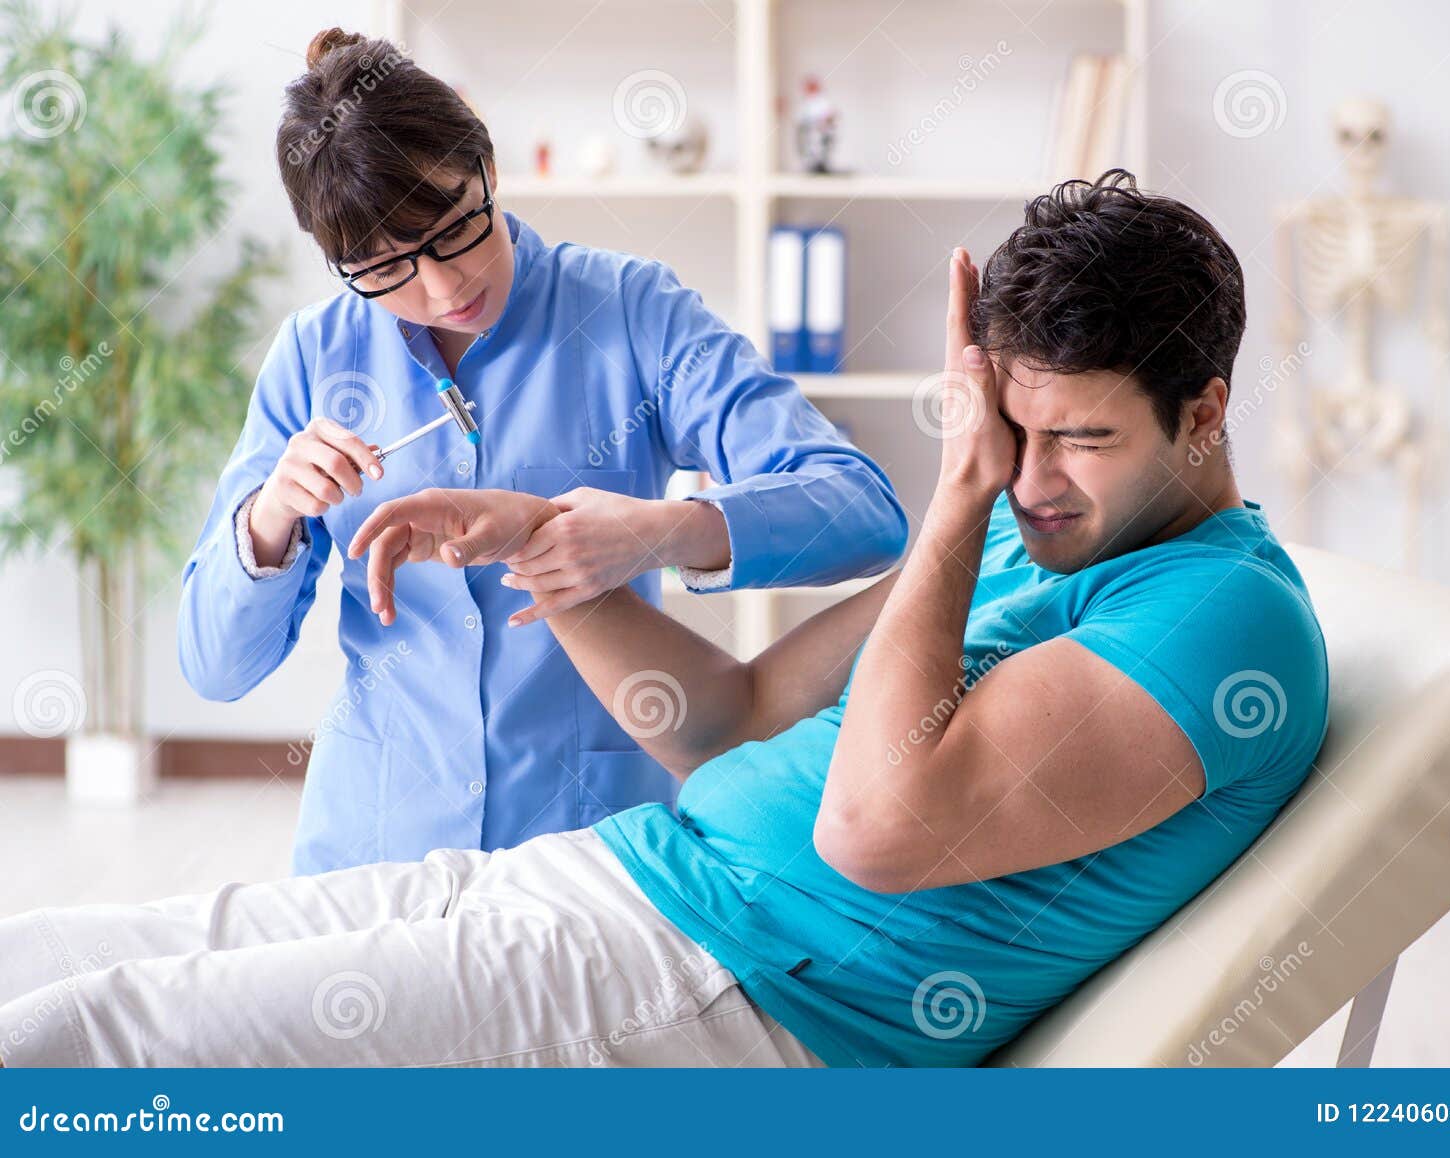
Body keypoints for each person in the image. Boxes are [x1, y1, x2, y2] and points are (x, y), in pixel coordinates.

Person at [5, 171, 1328, 1068]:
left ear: (1204, 412)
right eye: (1010, 433)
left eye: (1078, 441)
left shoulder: (1223, 617)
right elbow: (728, 719)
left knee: (113, 1033)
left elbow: (873, 828)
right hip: (622, 872)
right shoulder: (1033, 551)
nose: (1032, 481)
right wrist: (547, 541)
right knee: (85, 951)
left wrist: (958, 493)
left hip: (733, 989)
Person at [177, 29, 906, 875]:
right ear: (340, 263)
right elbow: (215, 668)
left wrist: (664, 531)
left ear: (486, 165)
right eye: (386, 267)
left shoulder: (633, 310)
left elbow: (864, 512)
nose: (445, 288)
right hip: (375, 859)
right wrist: (270, 517)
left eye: (456, 227)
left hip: (591, 850)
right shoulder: (313, 354)